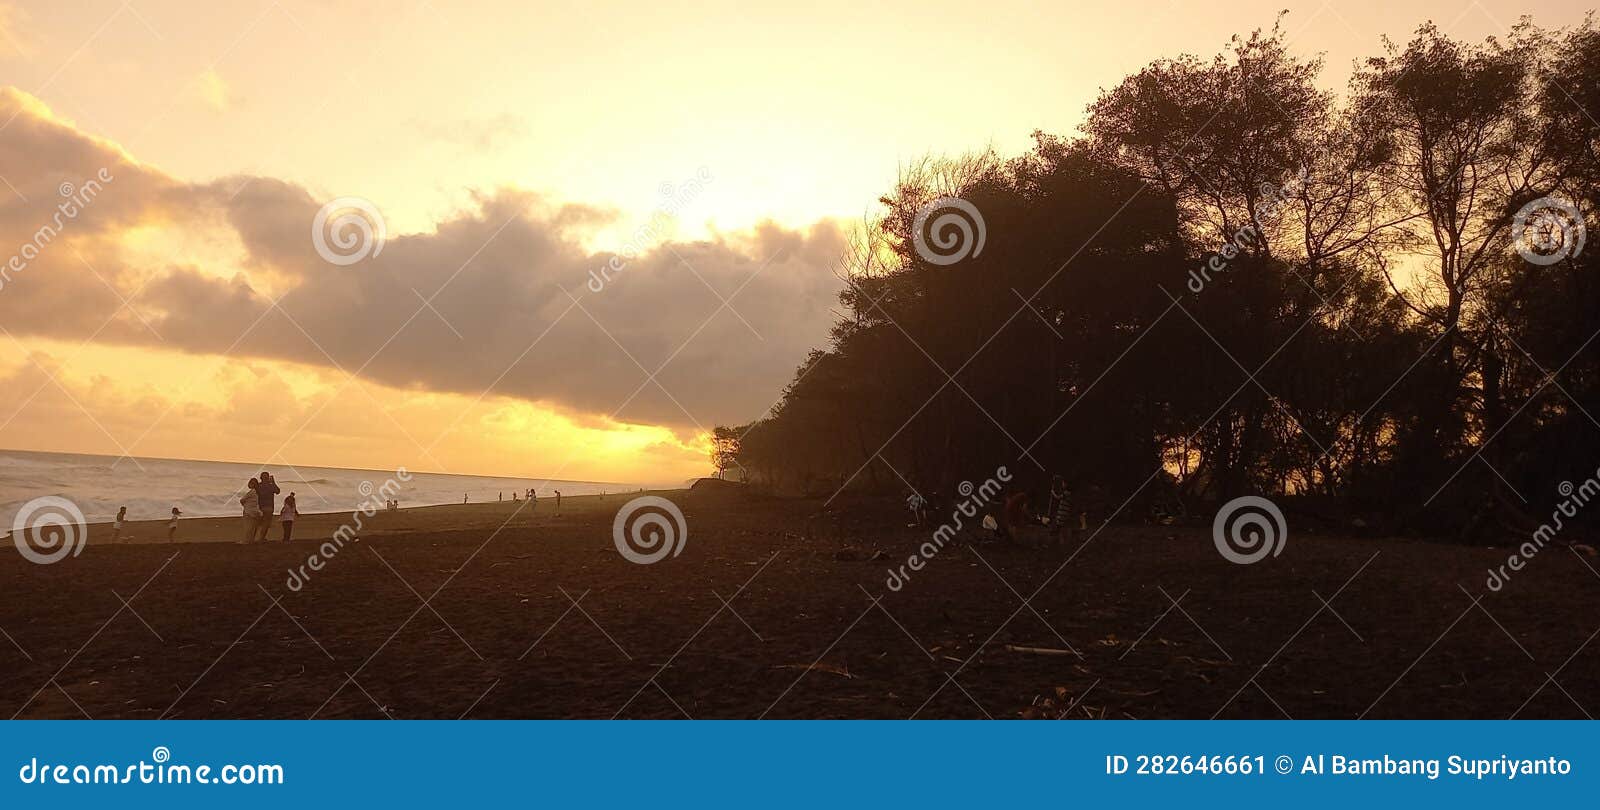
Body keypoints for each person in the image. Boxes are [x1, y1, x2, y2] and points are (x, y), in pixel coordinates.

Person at [255, 471, 280, 543]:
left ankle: (257, 537)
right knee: (266, 523)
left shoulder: (258, 486)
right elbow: (278, 491)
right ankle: (261, 538)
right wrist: (273, 482)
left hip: (260, 506)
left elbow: (255, 494)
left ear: (261, 478)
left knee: (259, 523)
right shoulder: (270, 485)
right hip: (269, 506)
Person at [240, 478, 263, 544]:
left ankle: (246, 541)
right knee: (252, 527)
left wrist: (244, 505)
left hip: (249, 511)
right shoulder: (257, 492)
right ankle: (250, 540)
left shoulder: (252, 492)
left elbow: (242, 500)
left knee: (248, 527)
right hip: (255, 511)